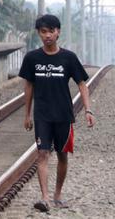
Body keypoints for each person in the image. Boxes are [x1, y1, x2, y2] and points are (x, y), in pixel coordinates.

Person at [19, 14, 95, 213]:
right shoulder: (32, 58)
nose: (47, 35)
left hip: (63, 116)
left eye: (51, 31)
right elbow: (28, 87)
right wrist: (27, 114)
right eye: (43, 32)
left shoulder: (68, 58)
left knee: (62, 155)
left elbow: (82, 85)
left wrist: (88, 109)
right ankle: (44, 198)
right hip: (42, 115)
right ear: (39, 33)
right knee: (42, 153)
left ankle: (57, 194)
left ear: (58, 32)